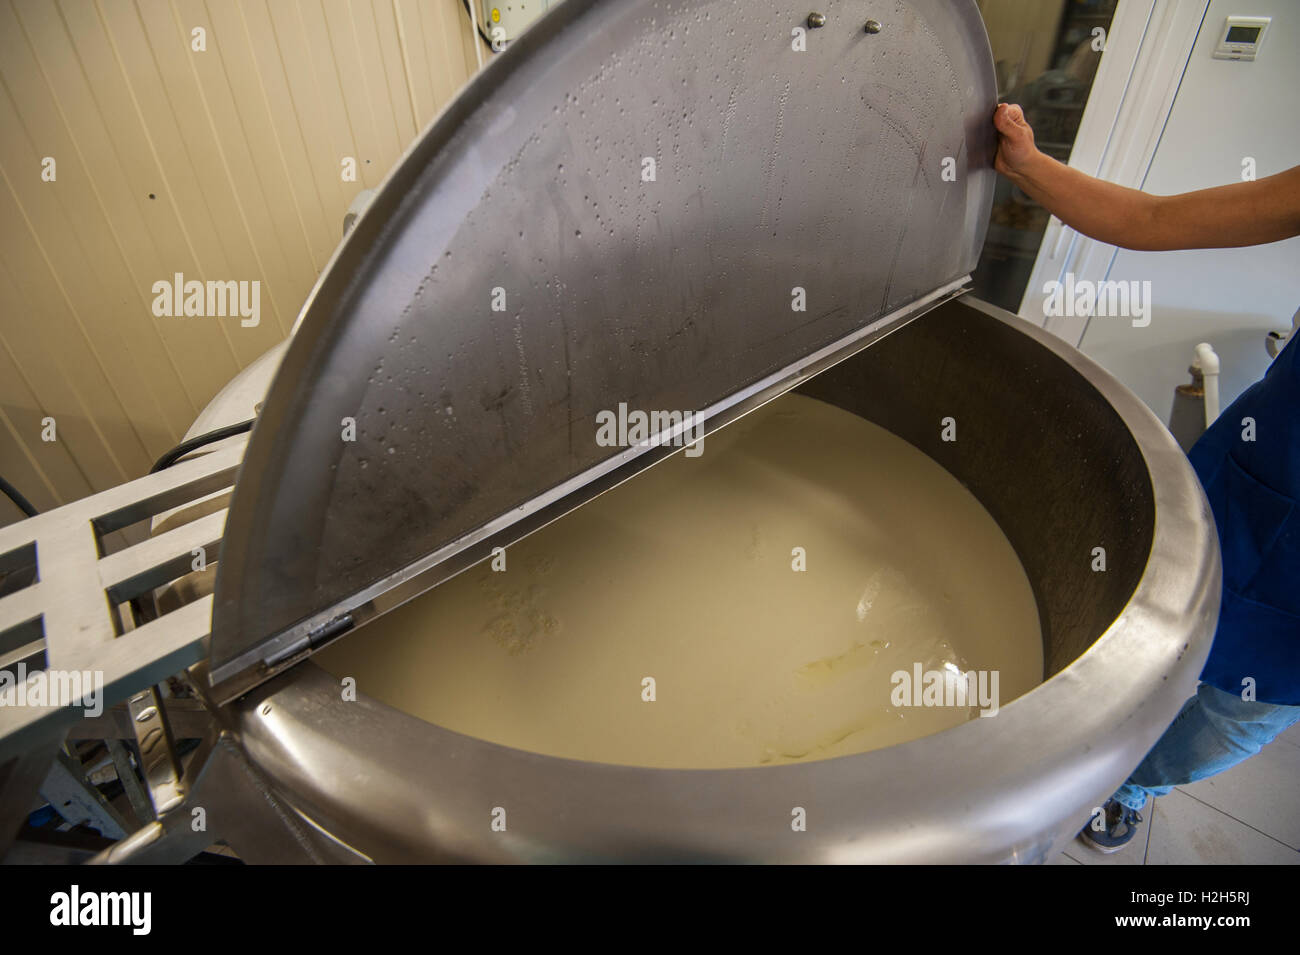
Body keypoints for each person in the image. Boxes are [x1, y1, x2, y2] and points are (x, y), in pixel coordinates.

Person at [992, 103, 1300, 853]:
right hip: (1266, 474)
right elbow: (1155, 220)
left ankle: (1127, 784)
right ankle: (1033, 753)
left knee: (1237, 714)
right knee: (1134, 628)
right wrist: (1031, 164)